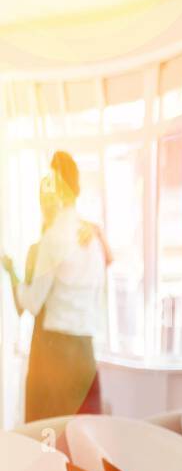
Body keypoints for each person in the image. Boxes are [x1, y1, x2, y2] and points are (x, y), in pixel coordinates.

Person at [2, 151, 110, 422]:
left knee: (47, 442)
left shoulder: (53, 239)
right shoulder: (93, 237)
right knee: (82, 441)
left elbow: (30, 303)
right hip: (86, 354)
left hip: (55, 354)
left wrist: (12, 272)